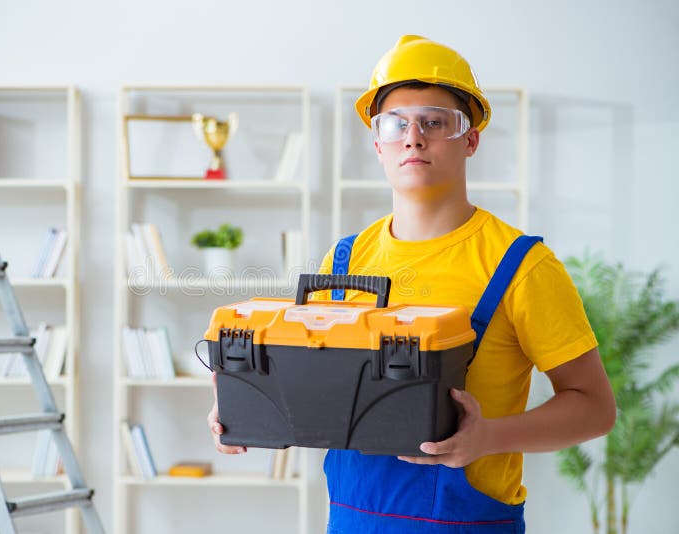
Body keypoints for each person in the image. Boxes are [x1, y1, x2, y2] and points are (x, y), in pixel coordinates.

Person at [208, 35, 616, 533]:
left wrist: (486, 437)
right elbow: (321, 382)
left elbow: (594, 408)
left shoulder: (520, 265)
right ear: (377, 142)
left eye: (435, 121)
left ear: (470, 139)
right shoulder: (345, 260)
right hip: (351, 520)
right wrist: (244, 404)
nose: (413, 137)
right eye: (395, 123)